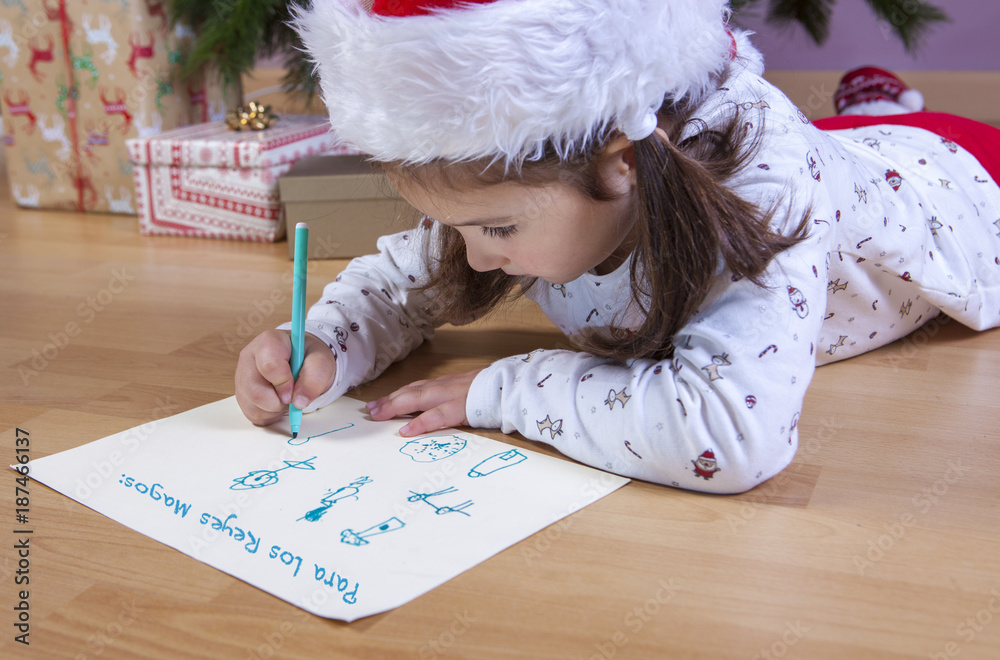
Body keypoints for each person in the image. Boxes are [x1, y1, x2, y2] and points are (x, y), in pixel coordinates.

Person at [234, 0, 1000, 494]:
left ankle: (891, 108)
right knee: (844, 142)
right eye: (460, 227)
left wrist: (500, 391)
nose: (469, 258)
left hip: (963, 189)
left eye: (496, 230)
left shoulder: (761, 187)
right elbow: (405, 279)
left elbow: (732, 438)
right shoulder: (530, 167)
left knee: (864, 150)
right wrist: (327, 341)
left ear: (622, 162)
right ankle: (875, 106)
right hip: (844, 162)